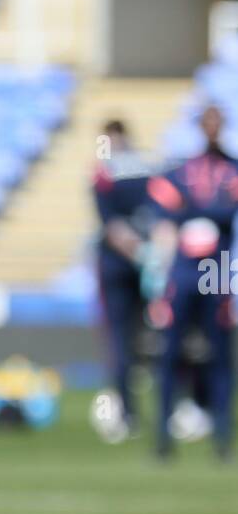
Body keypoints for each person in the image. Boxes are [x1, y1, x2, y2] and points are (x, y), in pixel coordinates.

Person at [147, 103, 238, 459]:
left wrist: (191, 208)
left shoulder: (230, 169)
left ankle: (221, 436)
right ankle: (163, 437)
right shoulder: (183, 170)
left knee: (219, 354)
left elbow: (220, 212)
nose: (213, 128)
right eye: (208, 122)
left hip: (216, 271)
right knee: (170, 353)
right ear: (201, 126)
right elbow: (165, 207)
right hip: (183, 271)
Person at [90, 120, 153, 440]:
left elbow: (112, 226)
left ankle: (130, 413)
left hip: (121, 265)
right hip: (135, 263)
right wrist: (145, 252)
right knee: (126, 342)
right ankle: (129, 411)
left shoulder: (106, 172)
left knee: (122, 341)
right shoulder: (142, 168)